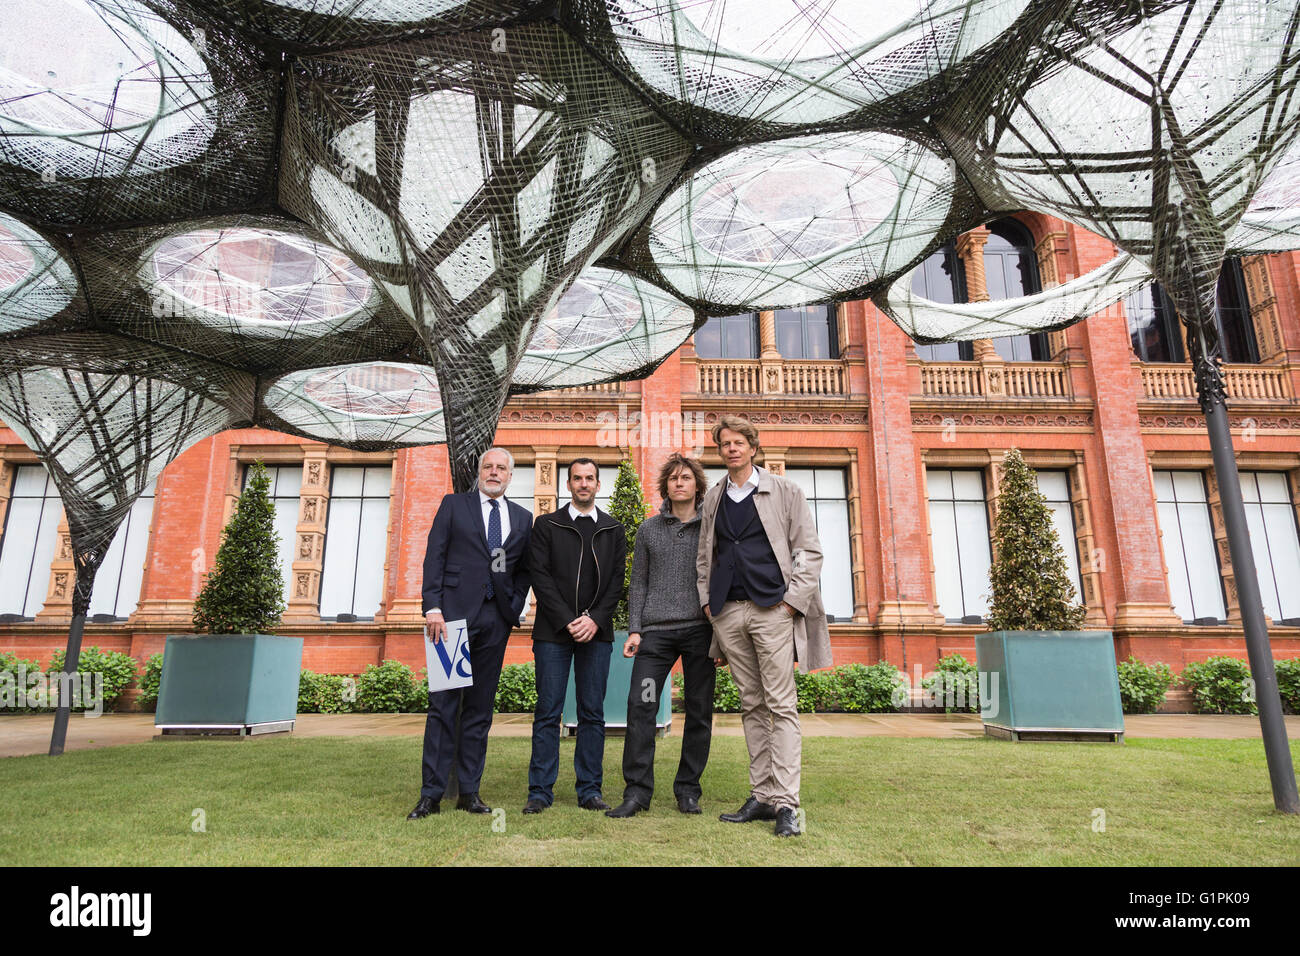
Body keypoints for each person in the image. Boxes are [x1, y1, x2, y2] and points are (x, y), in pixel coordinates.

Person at [696, 416, 832, 837]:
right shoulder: (714, 498)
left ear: (753, 448)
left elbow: (808, 552)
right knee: (751, 704)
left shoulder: (784, 490)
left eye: (739, 443)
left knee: (781, 706)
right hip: (729, 613)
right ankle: (761, 795)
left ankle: (787, 803)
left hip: (774, 610)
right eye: (725, 444)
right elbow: (706, 557)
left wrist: (792, 603)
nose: (732, 449)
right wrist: (708, 605)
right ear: (719, 451)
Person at [407, 447, 532, 819]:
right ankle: (431, 794)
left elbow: (523, 569)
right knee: (443, 707)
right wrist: (433, 608)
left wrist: (514, 606)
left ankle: (469, 792)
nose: (494, 472)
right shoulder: (453, 506)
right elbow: (435, 557)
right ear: (479, 472)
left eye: (501, 468)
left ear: (510, 476)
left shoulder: (523, 518)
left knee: (479, 711)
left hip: (496, 621)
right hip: (451, 621)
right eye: (488, 467)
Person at [606, 453, 715, 819]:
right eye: (673, 478)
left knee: (699, 710)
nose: (679, 483)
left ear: (697, 485)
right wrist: (635, 628)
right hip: (656, 637)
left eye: (686, 478)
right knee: (642, 706)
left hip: (700, 634)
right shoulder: (648, 529)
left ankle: (688, 791)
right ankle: (637, 792)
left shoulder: (711, 529)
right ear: (665, 485)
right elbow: (637, 582)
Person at [524, 458, 627, 813]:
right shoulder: (547, 524)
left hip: (597, 634)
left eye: (590, 478)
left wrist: (595, 620)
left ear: (599, 485)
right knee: (548, 711)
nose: (583, 484)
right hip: (553, 632)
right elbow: (541, 576)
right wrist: (569, 619)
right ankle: (539, 792)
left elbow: (616, 582)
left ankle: (589, 790)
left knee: (592, 713)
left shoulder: (613, 529)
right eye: (577, 479)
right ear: (567, 485)